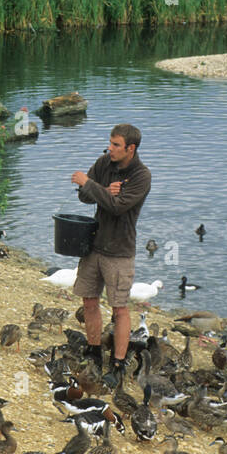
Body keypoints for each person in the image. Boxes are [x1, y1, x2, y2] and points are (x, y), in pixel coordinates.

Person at [70, 123, 152, 383]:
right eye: (110, 143)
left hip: (120, 251)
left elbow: (117, 208)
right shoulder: (104, 163)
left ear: (131, 148)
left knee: (120, 309)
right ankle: (94, 351)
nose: (110, 148)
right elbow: (85, 198)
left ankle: (118, 363)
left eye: (116, 145)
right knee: (89, 301)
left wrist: (89, 184)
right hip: (94, 244)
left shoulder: (141, 176)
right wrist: (100, 190)